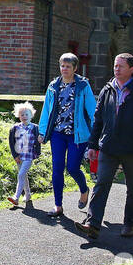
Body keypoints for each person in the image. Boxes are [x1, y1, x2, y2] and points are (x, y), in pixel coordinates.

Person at [75, 53, 133, 239]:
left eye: (121, 66)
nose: (116, 69)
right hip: (109, 147)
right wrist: (92, 145)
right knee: (101, 184)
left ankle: (130, 224)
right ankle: (92, 224)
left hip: (132, 149)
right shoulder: (107, 90)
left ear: (131, 69)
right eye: (115, 65)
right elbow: (98, 120)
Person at [36, 53, 97, 217]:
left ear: (75, 68)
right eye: (62, 66)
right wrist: (42, 132)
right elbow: (46, 111)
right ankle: (58, 205)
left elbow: (92, 110)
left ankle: (84, 190)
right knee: (57, 169)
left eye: (68, 66)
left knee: (72, 167)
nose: (64, 69)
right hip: (57, 134)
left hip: (77, 135)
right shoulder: (53, 86)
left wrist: (97, 133)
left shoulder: (83, 86)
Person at [8, 102, 40, 209]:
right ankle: (28, 195)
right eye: (22, 114)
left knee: (21, 174)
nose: (24, 117)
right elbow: (11, 143)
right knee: (23, 175)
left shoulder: (35, 128)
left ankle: (16, 197)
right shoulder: (15, 128)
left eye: (26, 114)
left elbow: (38, 141)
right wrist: (15, 155)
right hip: (19, 156)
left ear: (31, 115)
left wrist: (38, 152)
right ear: (18, 116)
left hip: (29, 156)